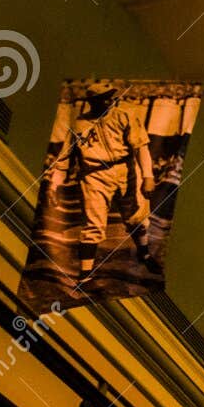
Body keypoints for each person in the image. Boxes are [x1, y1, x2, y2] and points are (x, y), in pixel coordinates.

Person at [51, 81, 159, 282]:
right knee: (93, 224)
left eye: (110, 96)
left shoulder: (124, 114)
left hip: (125, 169)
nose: (109, 100)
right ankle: (85, 274)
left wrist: (148, 176)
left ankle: (144, 254)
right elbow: (64, 158)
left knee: (137, 217)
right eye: (103, 98)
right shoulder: (79, 124)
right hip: (94, 175)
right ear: (92, 101)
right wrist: (55, 183)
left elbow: (141, 147)